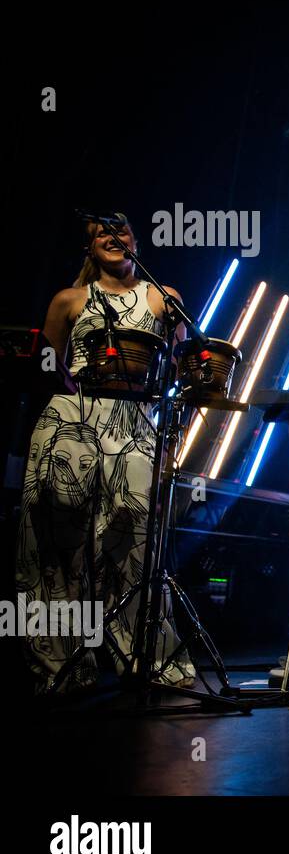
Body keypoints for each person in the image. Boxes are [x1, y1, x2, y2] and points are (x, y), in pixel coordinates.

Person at [15, 217, 195, 693]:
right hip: (71, 415)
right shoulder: (68, 300)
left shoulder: (163, 296)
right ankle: (61, 666)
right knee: (60, 541)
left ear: (135, 243)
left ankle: (145, 658)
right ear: (90, 247)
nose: (113, 238)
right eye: (102, 233)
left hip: (133, 418)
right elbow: (47, 364)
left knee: (131, 538)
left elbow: (182, 366)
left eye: (122, 232)